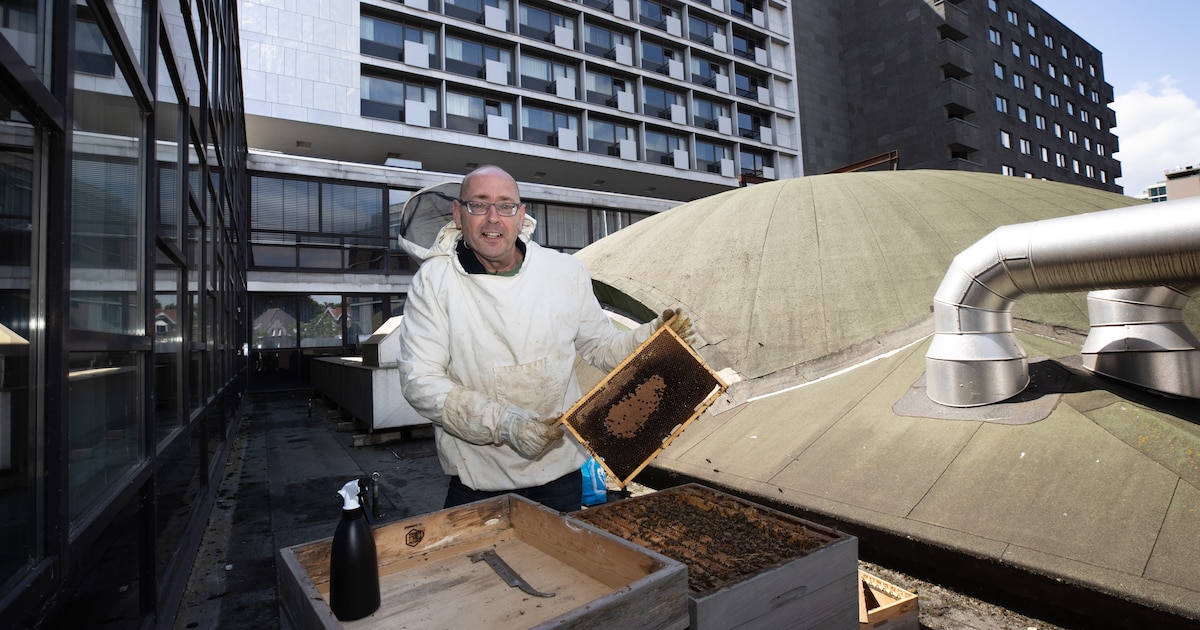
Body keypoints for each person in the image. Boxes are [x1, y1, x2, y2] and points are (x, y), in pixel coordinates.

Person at [397, 165, 691, 513]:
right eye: (479, 205)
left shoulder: (565, 272)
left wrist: (652, 337)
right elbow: (421, 381)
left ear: (521, 217)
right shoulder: (434, 282)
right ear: (458, 215)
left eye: (505, 206)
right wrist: (505, 423)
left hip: (560, 474)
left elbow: (601, 346)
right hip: (478, 479)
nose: (493, 218)